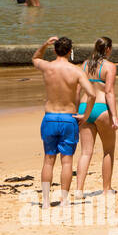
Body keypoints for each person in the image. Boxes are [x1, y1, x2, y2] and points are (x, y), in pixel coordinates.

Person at [32, 35, 94, 210]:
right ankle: (64, 200)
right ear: (70, 51)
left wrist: (44, 43)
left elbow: (35, 58)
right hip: (68, 118)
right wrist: (85, 115)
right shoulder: (76, 71)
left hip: (50, 117)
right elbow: (92, 94)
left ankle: (45, 201)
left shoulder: (47, 67)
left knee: (48, 160)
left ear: (54, 50)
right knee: (67, 161)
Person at [73, 37, 118, 199]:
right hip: (101, 108)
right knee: (108, 150)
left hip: (85, 108)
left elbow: (77, 90)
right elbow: (109, 92)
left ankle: (79, 189)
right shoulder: (109, 67)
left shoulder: (85, 65)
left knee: (85, 152)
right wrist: (114, 116)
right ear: (108, 49)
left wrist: (76, 110)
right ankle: (106, 189)